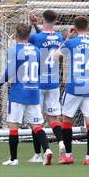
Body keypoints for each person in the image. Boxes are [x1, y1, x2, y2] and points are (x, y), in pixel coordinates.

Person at [0, 23, 46, 165]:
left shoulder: (14, 49)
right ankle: (47, 151)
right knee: (36, 125)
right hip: (33, 92)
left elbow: (11, 70)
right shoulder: (37, 50)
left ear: (16, 35)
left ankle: (14, 159)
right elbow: (41, 71)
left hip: (18, 93)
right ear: (29, 35)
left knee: (13, 125)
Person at [60, 16, 89, 164]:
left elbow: (56, 56)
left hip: (74, 86)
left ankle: (68, 155)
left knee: (67, 119)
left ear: (75, 27)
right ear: (88, 27)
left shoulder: (72, 43)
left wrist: (68, 37)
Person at [29, 10, 65, 161]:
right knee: (53, 118)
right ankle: (62, 143)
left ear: (43, 20)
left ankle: (39, 154)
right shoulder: (60, 37)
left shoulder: (35, 38)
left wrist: (31, 24)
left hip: (38, 82)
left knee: (35, 120)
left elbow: (34, 40)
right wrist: (36, 25)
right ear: (55, 21)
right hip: (53, 83)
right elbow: (47, 39)